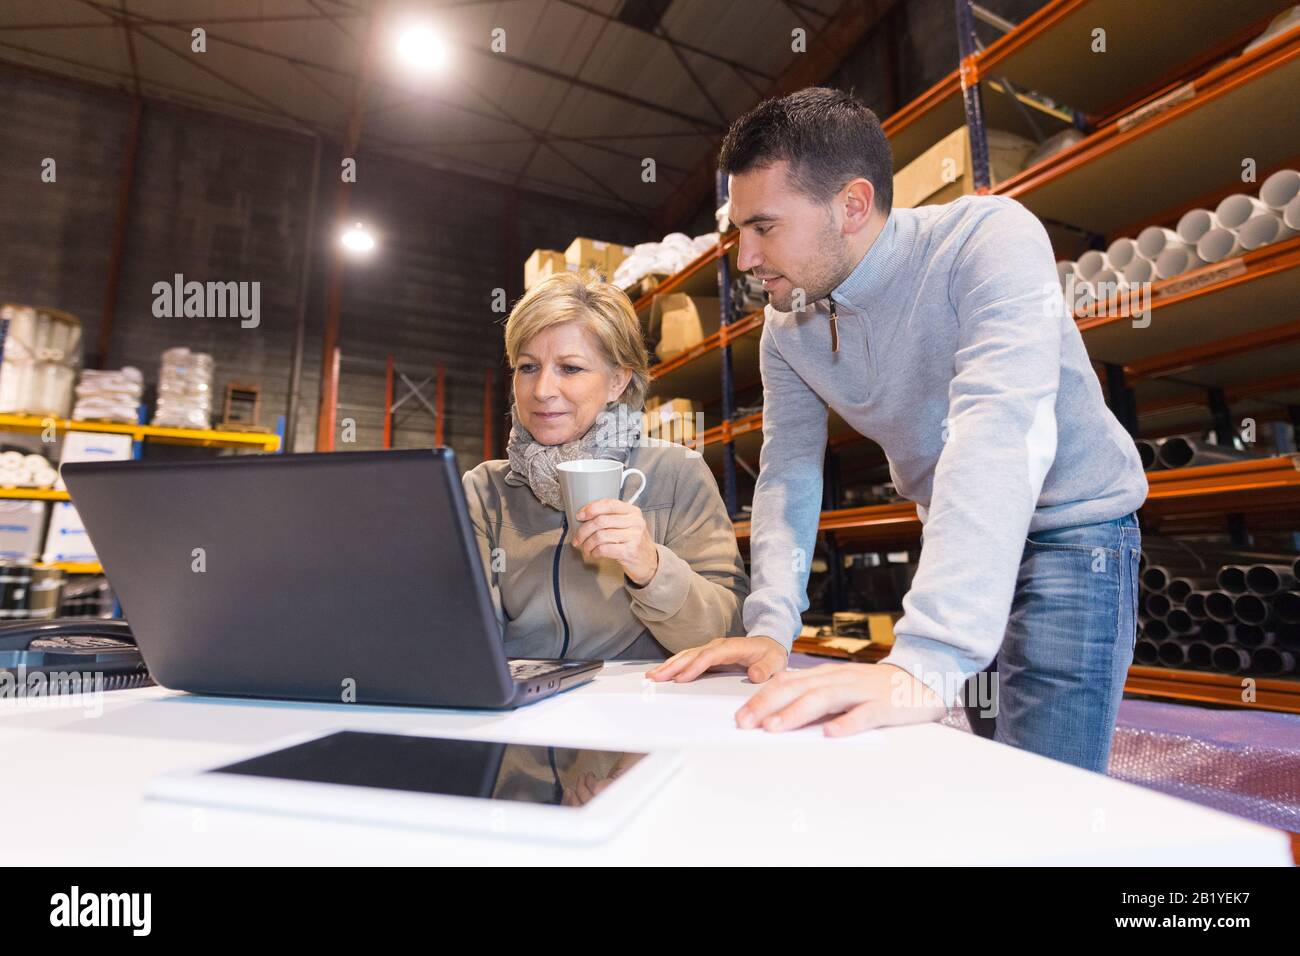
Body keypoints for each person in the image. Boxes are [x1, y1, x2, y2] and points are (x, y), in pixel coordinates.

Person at [649, 88, 1148, 772]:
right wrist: (770, 629)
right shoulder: (786, 327)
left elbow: (997, 426)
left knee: (1042, 788)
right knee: (991, 765)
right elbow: (790, 473)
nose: (745, 258)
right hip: (956, 532)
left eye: (764, 227)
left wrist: (930, 658)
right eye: (739, 231)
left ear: (852, 205)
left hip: (1072, 532)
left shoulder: (988, 239)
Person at [462, 270, 749, 661]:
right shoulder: (484, 489)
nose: (543, 390)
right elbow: (468, 633)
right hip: (524, 707)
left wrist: (651, 567)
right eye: (528, 367)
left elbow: (728, 632)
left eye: (570, 368)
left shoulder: (678, 472)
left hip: (638, 705)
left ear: (617, 381)